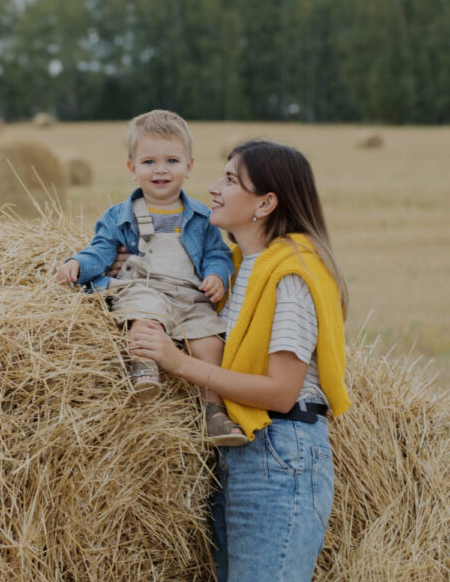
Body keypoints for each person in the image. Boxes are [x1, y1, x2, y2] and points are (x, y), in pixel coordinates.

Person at [127, 139, 351, 582]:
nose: (212, 188)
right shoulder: (234, 266)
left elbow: (283, 391)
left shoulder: (293, 274)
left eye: (230, 180)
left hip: (279, 448)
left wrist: (176, 362)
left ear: (266, 203)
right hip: (243, 448)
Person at [57, 109, 246, 446]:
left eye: (172, 160)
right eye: (149, 162)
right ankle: (143, 368)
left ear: (188, 167)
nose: (161, 169)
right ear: (132, 169)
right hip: (145, 288)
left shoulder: (203, 218)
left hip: (190, 297)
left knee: (211, 342)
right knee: (143, 315)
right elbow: (100, 251)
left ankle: (213, 411)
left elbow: (217, 254)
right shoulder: (119, 216)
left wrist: (217, 275)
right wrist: (77, 264)